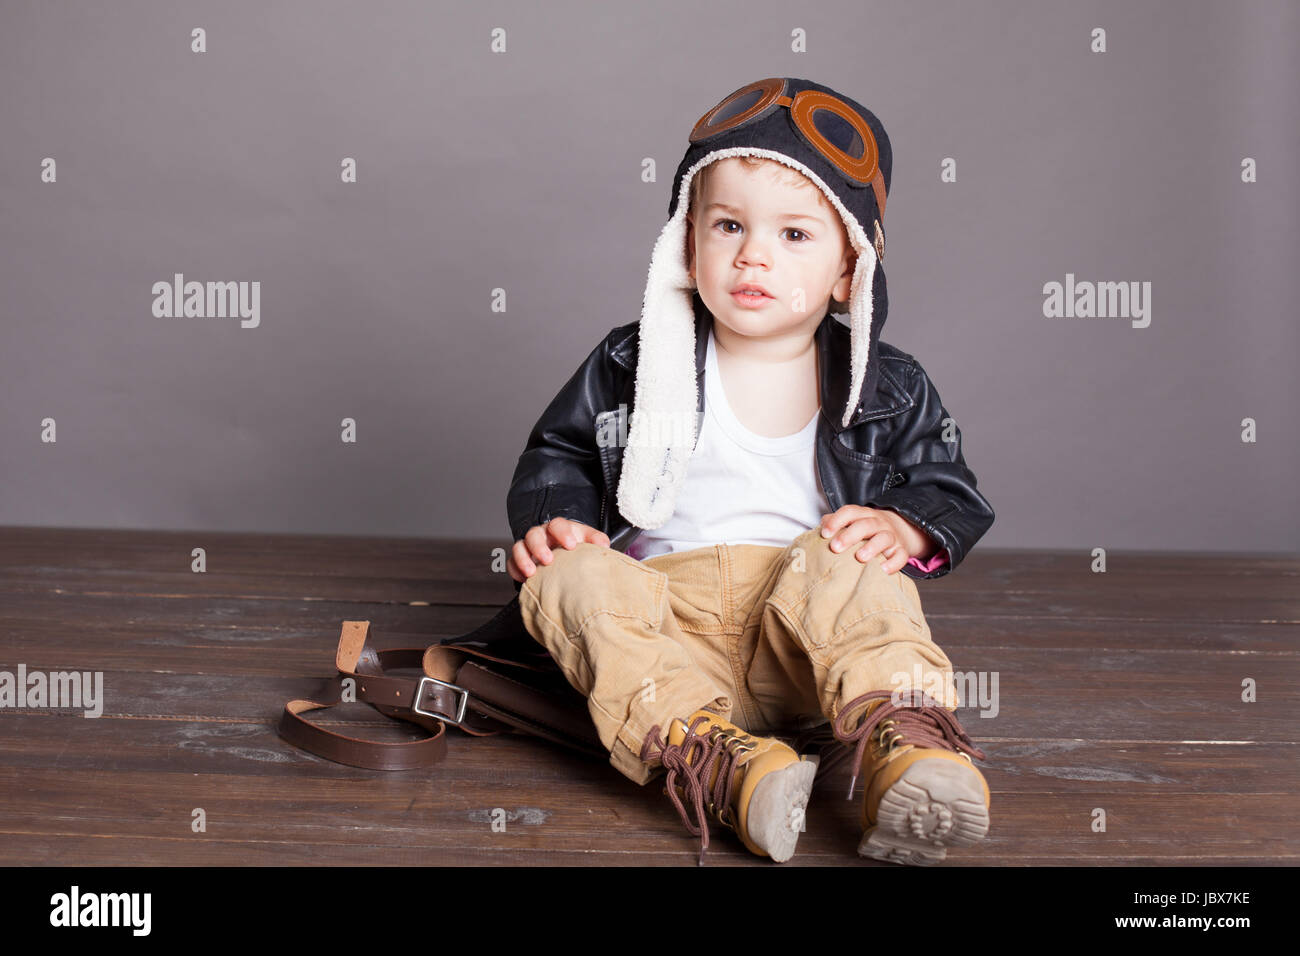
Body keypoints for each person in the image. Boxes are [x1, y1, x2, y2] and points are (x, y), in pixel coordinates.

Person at [504, 78, 995, 866]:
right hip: (666, 635)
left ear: (849, 272)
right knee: (567, 583)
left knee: (858, 566)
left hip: (804, 639)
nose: (753, 254)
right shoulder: (632, 362)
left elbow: (953, 492)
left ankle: (906, 747)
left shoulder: (888, 383)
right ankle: (728, 767)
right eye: (727, 225)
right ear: (686, 242)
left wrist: (904, 527)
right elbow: (556, 451)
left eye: (795, 235)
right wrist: (558, 519)